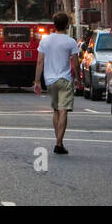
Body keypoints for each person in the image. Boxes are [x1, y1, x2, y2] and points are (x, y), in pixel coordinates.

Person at [33, 12, 81, 155]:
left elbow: (40, 62)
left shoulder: (45, 41)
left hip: (50, 80)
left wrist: (37, 81)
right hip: (65, 79)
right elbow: (75, 62)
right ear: (67, 25)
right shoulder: (71, 41)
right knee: (63, 110)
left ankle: (58, 141)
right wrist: (77, 77)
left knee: (56, 110)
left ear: (54, 24)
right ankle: (59, 143)